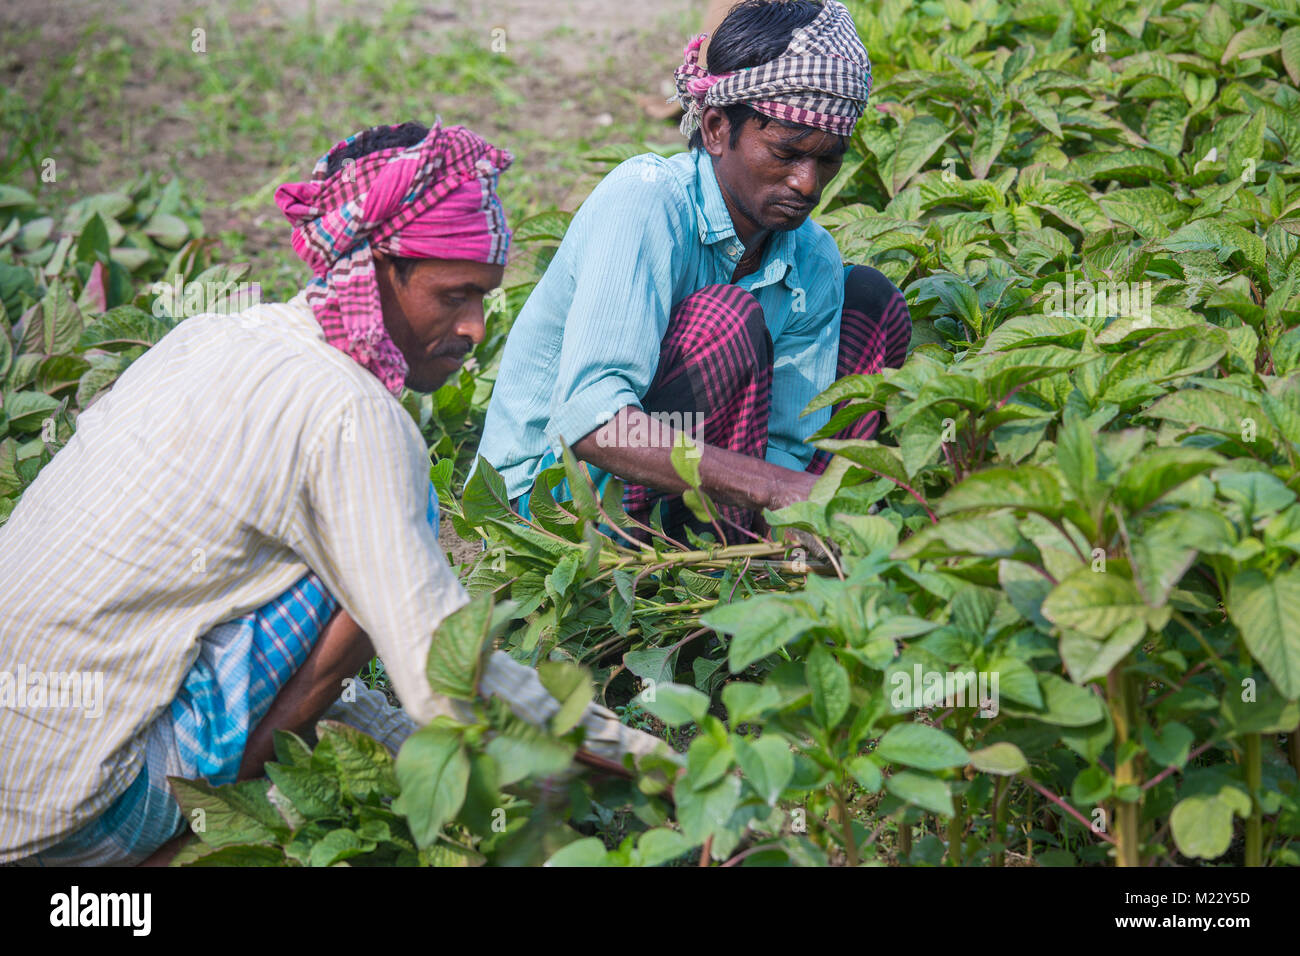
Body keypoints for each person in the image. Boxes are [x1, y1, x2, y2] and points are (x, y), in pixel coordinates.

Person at [0, 120, 665, 867]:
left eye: (484, 297)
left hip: (17, 780)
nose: (476, 327)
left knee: (350, 552)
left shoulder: (214, 336)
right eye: (454, 296)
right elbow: (448, 680)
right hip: (86, 809)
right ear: (375, 270)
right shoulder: (354, 416)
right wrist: (651, 766)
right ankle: (199, 839)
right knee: (376, 557)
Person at [477, 0, 911, 543]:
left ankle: (754, 554)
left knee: (872, 300)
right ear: (714, 128)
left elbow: (785, 441)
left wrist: (789, 504)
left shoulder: (811, 258)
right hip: (551, 500)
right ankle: (716, 548)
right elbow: (591, 422)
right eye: (786, 153)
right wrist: (776, 489)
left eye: (828, 160)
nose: (807, 184)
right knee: (725, 322)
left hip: (708, 483)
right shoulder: (646, 201)